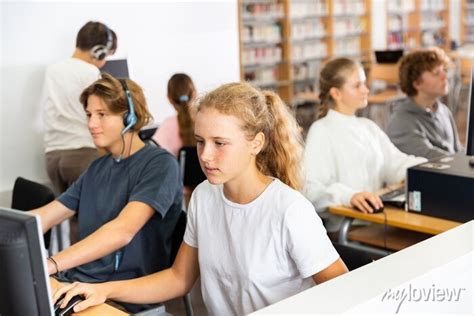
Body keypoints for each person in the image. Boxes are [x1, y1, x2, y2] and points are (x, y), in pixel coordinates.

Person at [53, 82, 348, 315]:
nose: (205, 156)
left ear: (256, 143)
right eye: (200, 142)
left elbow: (345, 291)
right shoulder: (205, 196)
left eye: (220, 143)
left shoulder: (289, 210)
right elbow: (179, 279)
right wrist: (104, 290)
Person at [32, 73, 183, 313]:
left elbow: (121, 232)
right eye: (90, 115)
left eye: (102, 115)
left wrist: (49, 264)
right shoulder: (97, 167)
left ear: (130, 117)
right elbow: (47, 215)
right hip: (77, 284)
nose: (92, 124)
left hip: (119, 295)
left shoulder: (159, 165)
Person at [303, 58, 426, 232]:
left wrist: (430, 168)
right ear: (336, 93)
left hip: (377, 219)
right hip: (348, 228)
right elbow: (311, 189)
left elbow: (395, 163)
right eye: (357, 85)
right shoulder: (322, 130)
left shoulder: (367, 126)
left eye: (365, 84)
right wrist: (349, 196)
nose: (366, 90)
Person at [42, 21, 117, 245]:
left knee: (64, 216)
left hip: (53, 155)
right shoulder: (91, 71)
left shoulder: (52, 70)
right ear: (99, 51)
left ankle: (66, 271)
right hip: (81, 152)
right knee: (87, 221)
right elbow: (101, 112)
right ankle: (85, 275)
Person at [387, 48, 462, 159]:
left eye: (444, 71)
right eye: (436, 73)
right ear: (417, 83)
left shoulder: (443, 110)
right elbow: (433, 159)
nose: (444, 77)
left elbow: (458, 150)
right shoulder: (401, 122)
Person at [152, 73, 197, 157]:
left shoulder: (167, 126)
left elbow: (155, 155)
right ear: (194, 94)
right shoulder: (207, 121)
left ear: (169, 98)